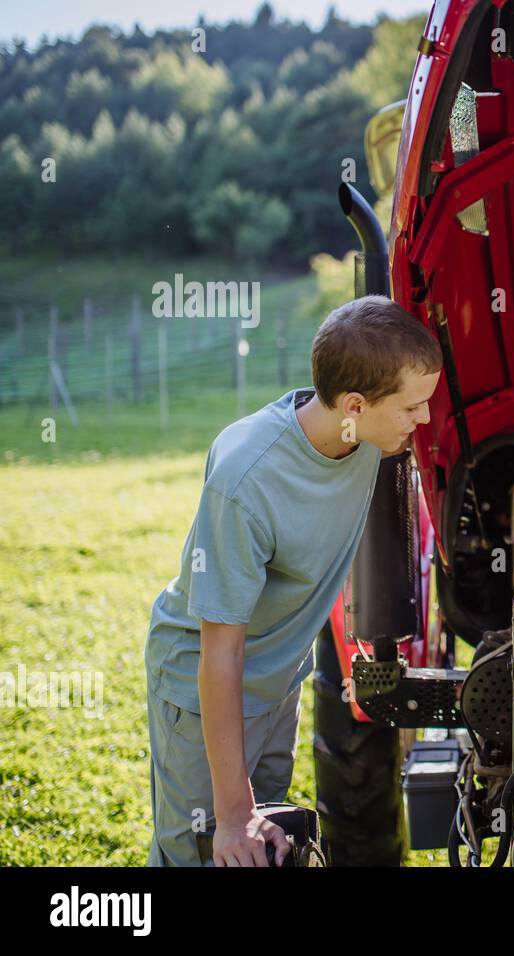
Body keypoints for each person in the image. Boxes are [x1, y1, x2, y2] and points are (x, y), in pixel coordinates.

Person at [144, 295, 441, 866]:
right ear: (355, 403)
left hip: (278, 681)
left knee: (268, 849)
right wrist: (232, 813)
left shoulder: (362, 436)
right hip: (206, 688)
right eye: (412, 408)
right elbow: (219, 651)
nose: (422, 420)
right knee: (208, 853)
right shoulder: (246, 480)